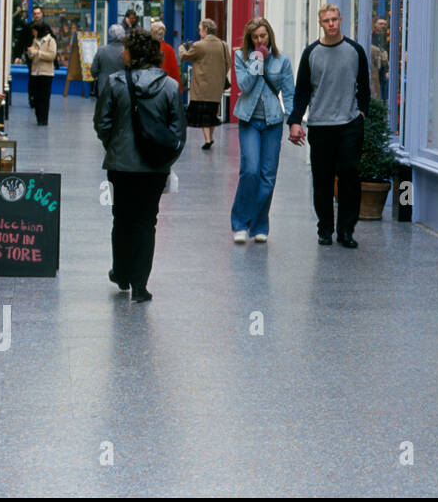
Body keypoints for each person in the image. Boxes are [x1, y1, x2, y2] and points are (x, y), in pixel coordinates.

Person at [93, 29, 186, 302]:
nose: (122, 52)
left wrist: (113, 145)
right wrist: (165, 159)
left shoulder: (115, 82)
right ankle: (140, 284)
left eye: (126, 48)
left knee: (121, 218)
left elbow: (102, 123)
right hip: (154, 167)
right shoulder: (170, 86)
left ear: (133, 53)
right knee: (147, 222)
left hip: (121, 165)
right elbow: (178, 130)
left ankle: (121, 272)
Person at [287, 4, 370, 248]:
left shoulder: (355, 50)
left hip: (349, 123)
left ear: (341, 20)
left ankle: (346, 230)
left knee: (349, 176)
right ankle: (325, 228)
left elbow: (364, 85)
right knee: (322, 180)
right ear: (320, 23)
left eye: (334, 19)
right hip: (321, 125)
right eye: (326, 21)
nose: (331, 24)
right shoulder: (311, 53)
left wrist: (362, 113)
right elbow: (302, 91)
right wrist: (294, 121)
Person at [231, 18, 295, 243]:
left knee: (267, 177)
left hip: (272, 122)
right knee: (250, 171)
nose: (260, 40)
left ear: (270, 36)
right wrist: (257, 60)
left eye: (263, 36)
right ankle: (240, 223)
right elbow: (245, 85)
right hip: (249, 120)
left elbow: (288, 92)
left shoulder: (282, 60)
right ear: (250, 39)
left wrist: (294, 121)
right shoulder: (241, 56)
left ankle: (259, 225)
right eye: (255, 37)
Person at [180, 19, 231, 150]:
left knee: (203, 114)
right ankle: (210, 137)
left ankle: (208, 139)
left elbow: (185, 57)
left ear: (206, 30)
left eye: (200, 29)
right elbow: (228, 63)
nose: (199, 32)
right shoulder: (223, 44)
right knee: (211, 113)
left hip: (202, 87)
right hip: (216, 86)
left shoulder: (199, 45)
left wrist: (182, 47)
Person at [25, 21, 57, 126]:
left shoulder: (50, 41)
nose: (33, 33)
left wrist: (38, 53)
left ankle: (44, 119)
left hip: (46, 73)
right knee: (36, 96)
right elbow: (31, 54)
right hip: (35, 72)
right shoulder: (35, 40)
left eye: (35, 31)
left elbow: (52, 56)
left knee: (44, 97)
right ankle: (38, 117)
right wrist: (30, 53)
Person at [90, 24, 128, 94]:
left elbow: (93, 70)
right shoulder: (127, 51)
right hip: (123, 88)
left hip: (104, 87)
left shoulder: (101, 50)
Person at [370, 16, 390, 102]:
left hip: (384, 72)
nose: (383, 26)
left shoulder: (388, 38)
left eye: (385, 24)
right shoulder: (370, 37)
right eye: (380, 24)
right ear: (375, 25)